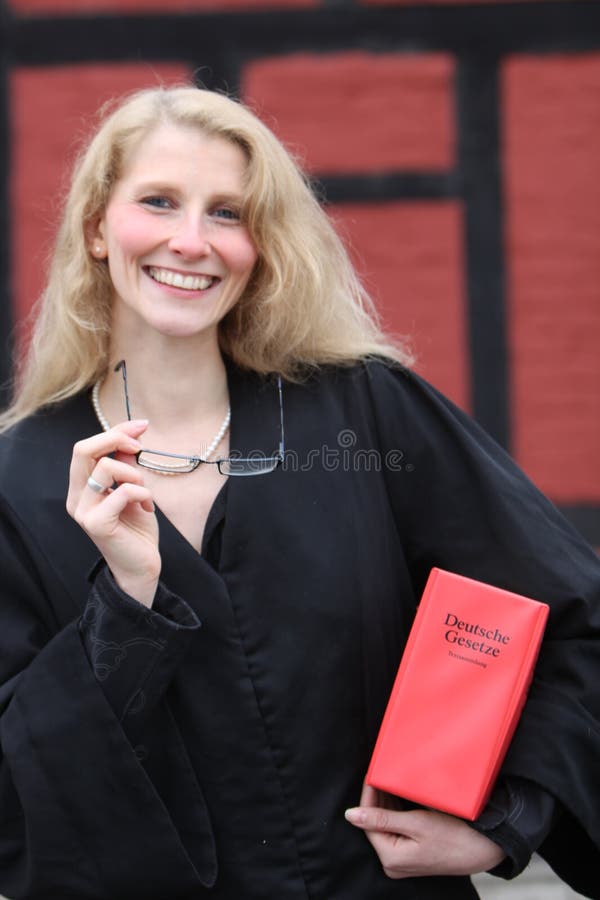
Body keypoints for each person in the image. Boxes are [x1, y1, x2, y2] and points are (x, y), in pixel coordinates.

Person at [0, 85, 597, 900]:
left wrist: (508, 819)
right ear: (99, 228)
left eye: (227, 214)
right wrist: (127, 607)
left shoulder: (363, 413)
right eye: (159, 202)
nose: (190, 240)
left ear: (262, 245)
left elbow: (575, 623)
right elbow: (16, 790)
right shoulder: (18, 481)